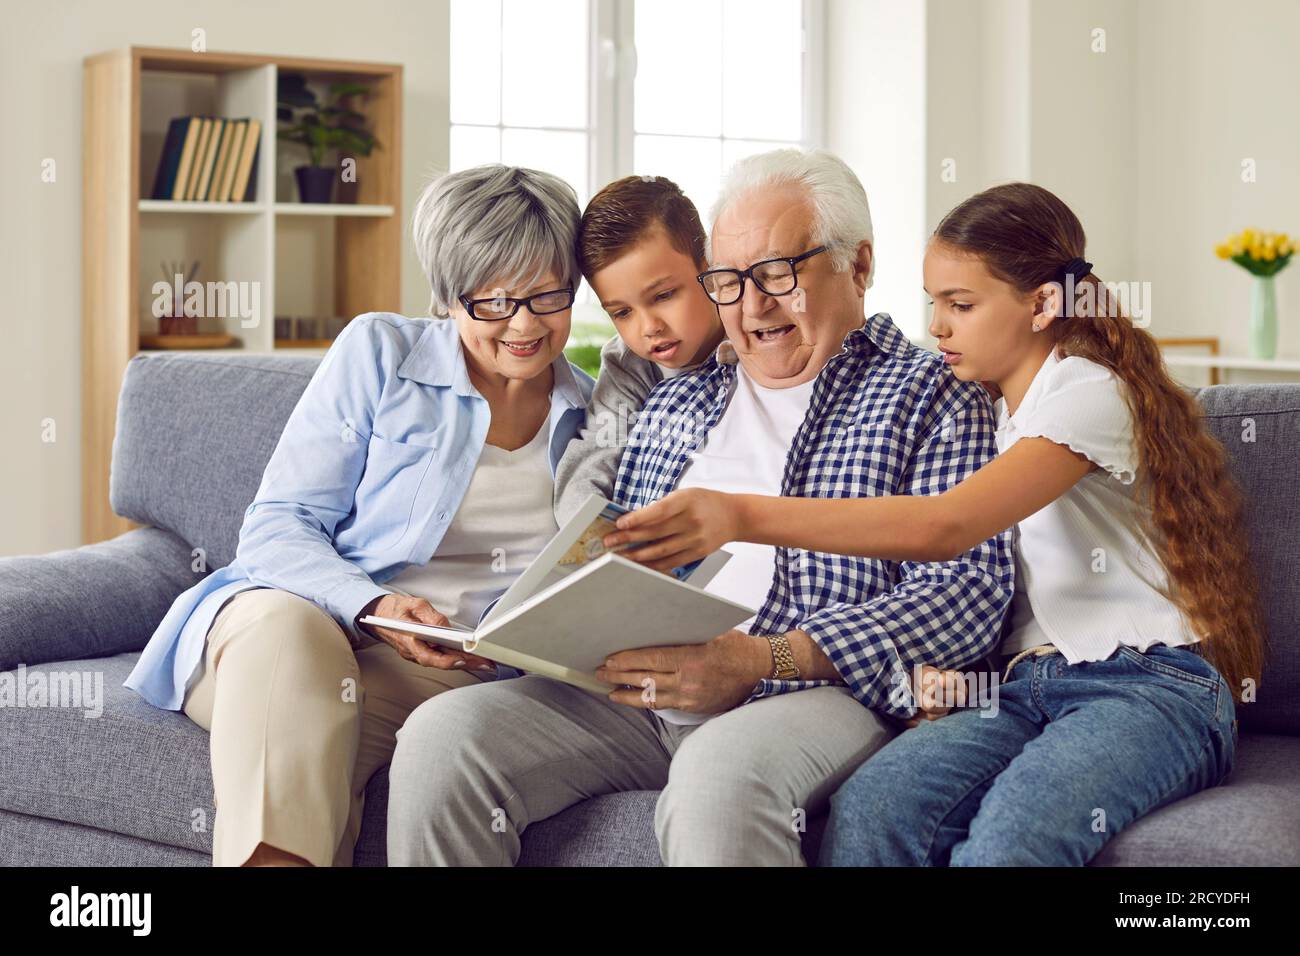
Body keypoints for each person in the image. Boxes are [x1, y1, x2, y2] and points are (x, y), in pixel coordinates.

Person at [385, 148, 1014, 866]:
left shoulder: (934, 394)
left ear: (859, 265)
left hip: (811, 690)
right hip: (639, 690)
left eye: (779, 274)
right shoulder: (678, 393)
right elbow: (608, 538)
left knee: (718, 780)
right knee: (444, 738)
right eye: (730, 281)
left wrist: (757, 658)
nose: (752, 306)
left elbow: (967, 594)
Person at [606, 182, 1264, 866]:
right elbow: (984, 588)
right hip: (1023, 685)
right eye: (934, 304)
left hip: (1147, 687)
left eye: (962, 305)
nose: (939, 326)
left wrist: (739, 515)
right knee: (877, 806)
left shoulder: (1089, 394)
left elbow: (947, 528)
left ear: (1042, 305)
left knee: (1014, 837)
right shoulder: (990, 409)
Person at [124, 165, 594, 866]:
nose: (523, 324)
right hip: (291, 621)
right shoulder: (381, 353)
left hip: (449, 672)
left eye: (546, 295)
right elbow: (278, 525)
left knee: (311, 754)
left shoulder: (595, 411)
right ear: (446, 298)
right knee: (293, 640)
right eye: (492, 302)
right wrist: (375, 605)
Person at [554, 174, 724, 525]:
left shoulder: (756, 339)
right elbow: (595, 455)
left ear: (710, 270)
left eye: (663, 296)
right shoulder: (628, 363)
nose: (649, 328)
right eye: (622, 312)